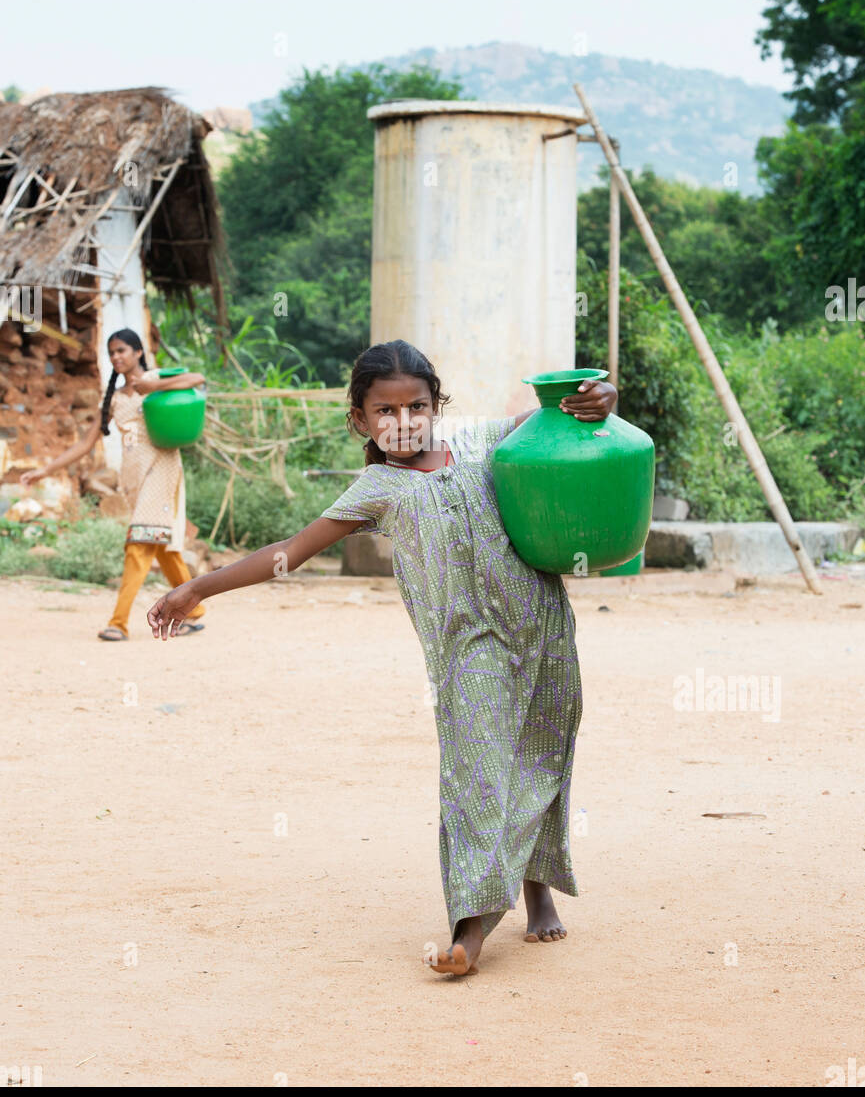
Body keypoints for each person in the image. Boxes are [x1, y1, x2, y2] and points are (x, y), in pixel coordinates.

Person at [145, 339, 617, 975]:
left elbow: (557, 418)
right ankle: (469, 928)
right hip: (467, 647)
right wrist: (198, 586)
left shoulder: (482, 444)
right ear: (360, 420)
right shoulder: (373, 488)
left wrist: (596, 404)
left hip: (542, 626)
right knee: (477, 772)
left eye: (416, 407)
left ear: (435, 405)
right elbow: (290, 551)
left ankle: (537, 893)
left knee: (540, 752)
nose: (403, 423)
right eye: (385, 412)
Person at [21, 327, 207, 642]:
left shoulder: (157, 380)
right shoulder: (115, 399)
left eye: (122, 350)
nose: (116, 357)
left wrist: (154, 385)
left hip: (161, 471)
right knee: (160, 545)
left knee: (138, 544)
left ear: (138, 352)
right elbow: (84, 444)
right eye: (111, 352)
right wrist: (45, 470)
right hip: (133, 479)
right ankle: (195, 609)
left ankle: (118, 622)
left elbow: (197, 379)